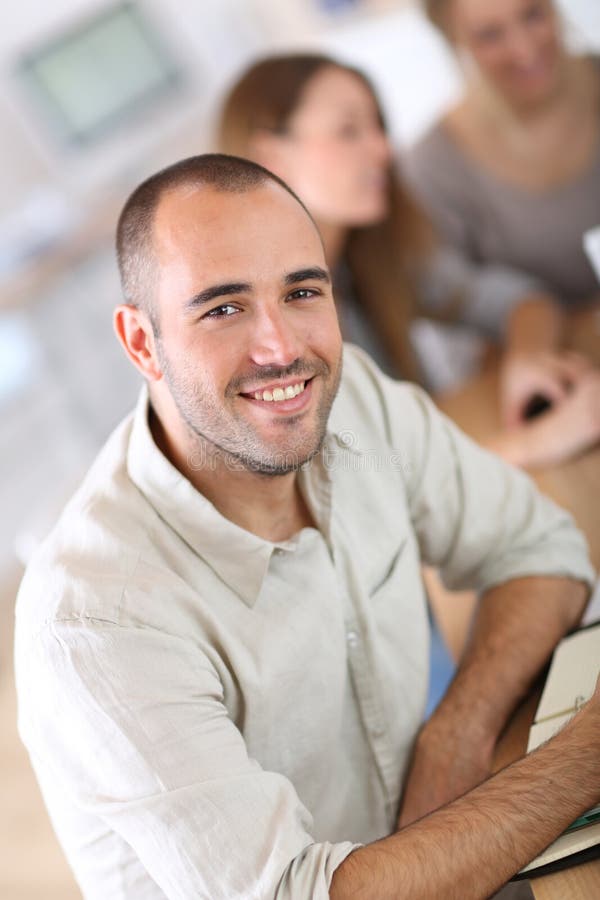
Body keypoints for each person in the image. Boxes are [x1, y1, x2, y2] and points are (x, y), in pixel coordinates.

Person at [15, 154, 599, 899]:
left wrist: (458, 732)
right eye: (223, 308)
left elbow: (540, 550)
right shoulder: (96, 620)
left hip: (445, 845)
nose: (281, 347)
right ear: (140, 343)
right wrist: (584, 760)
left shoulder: (353, 399)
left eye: (301, 291)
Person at [218, 53, 600, 461]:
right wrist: (535, 444)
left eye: (378, 126)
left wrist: (530, 357)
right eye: (349, 131)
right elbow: (359, 485)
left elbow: (519, 299)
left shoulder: (374, 256)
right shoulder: (260, 332)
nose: (383, 148)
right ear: (270, 157)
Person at [406, 0, 600, 307]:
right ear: (455, 40)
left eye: (532, 14)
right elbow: (455, 309)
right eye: (490, 35)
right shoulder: (433, 165)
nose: (524, 50)